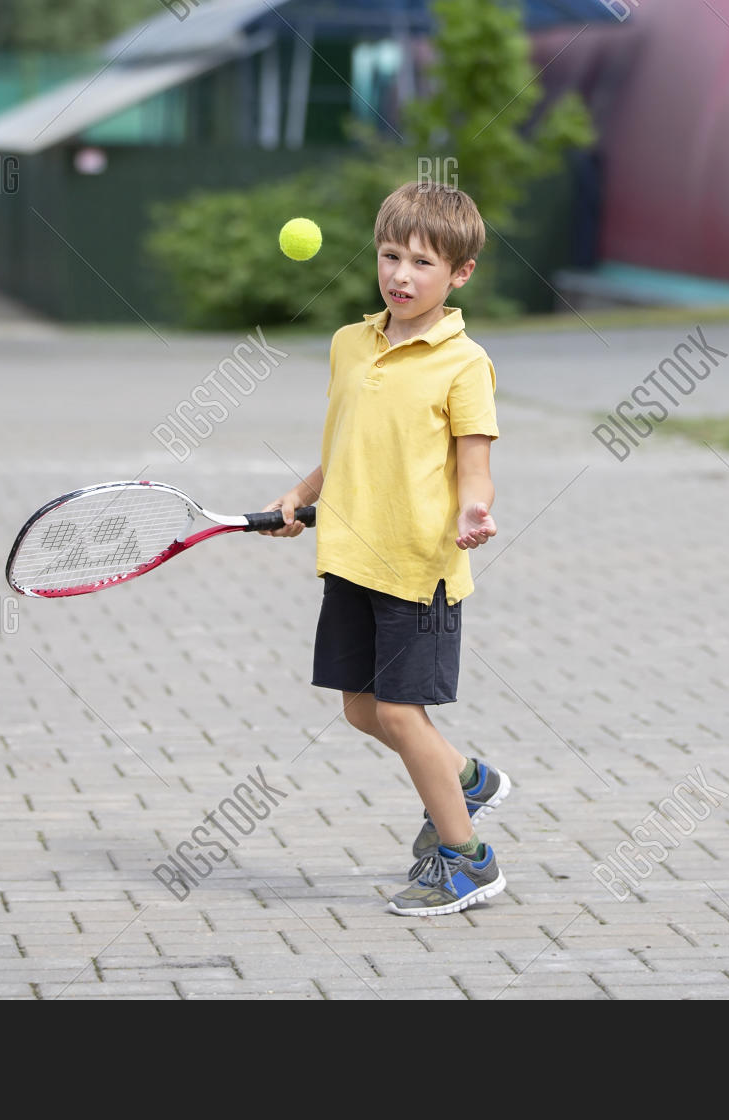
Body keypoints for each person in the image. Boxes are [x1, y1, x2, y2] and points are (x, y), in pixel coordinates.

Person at [262, 181, 511, 916]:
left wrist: (474, 510)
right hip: (350, 559)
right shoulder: (350, 343)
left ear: (460, 273)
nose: (401, 275)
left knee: (402, 715)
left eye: (423, 263)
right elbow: (347, 445)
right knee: (360, 710)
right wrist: (300, 495)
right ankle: (465, 778)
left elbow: (476, 468)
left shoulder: (465, 364)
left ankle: (468, 860)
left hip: (417, 568)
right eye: (390, 256)